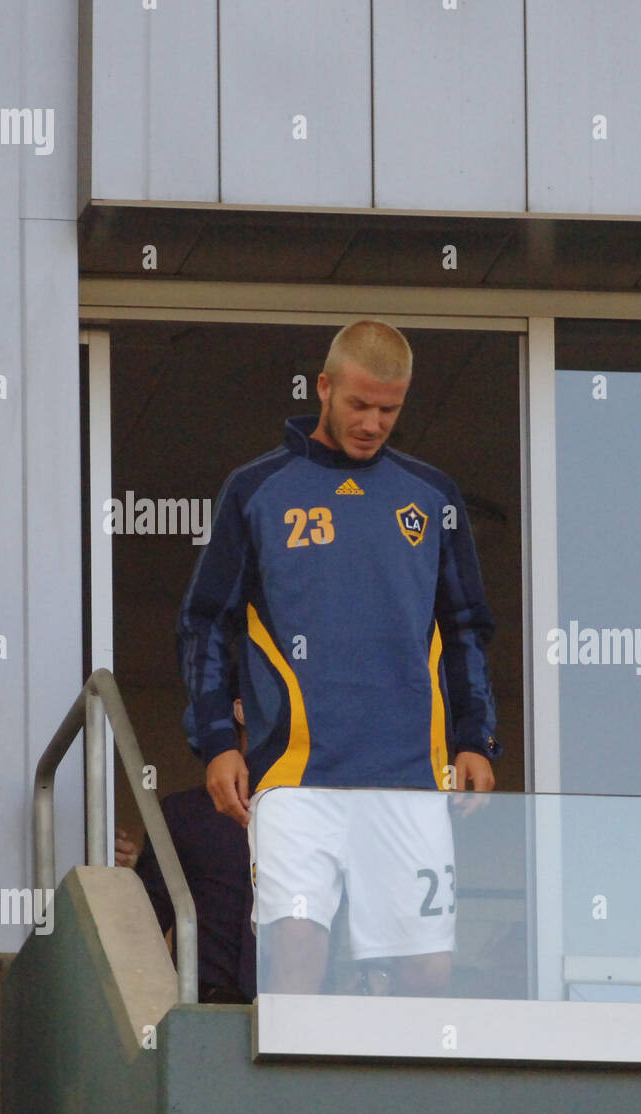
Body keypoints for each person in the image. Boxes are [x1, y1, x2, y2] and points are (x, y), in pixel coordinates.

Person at [177, 320, 501, 996]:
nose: (371, 423)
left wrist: (476, 738)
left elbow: (466, 625)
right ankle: (289, 1107)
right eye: (358, 404)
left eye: (389, 409)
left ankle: (402, 1106)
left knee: (426, 973)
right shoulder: (258, 488)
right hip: (297, 773)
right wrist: (215, 741)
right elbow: (207, 623)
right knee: (293, 958)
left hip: (410, 772)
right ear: (324, 387)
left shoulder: (432, 496)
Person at [119, 694, 256, 1004]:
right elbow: (147, 923)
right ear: (242, 709)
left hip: (302, 1013)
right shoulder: (183, 814)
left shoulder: (323, 813)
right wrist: (117, 879)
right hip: (206, 1012)